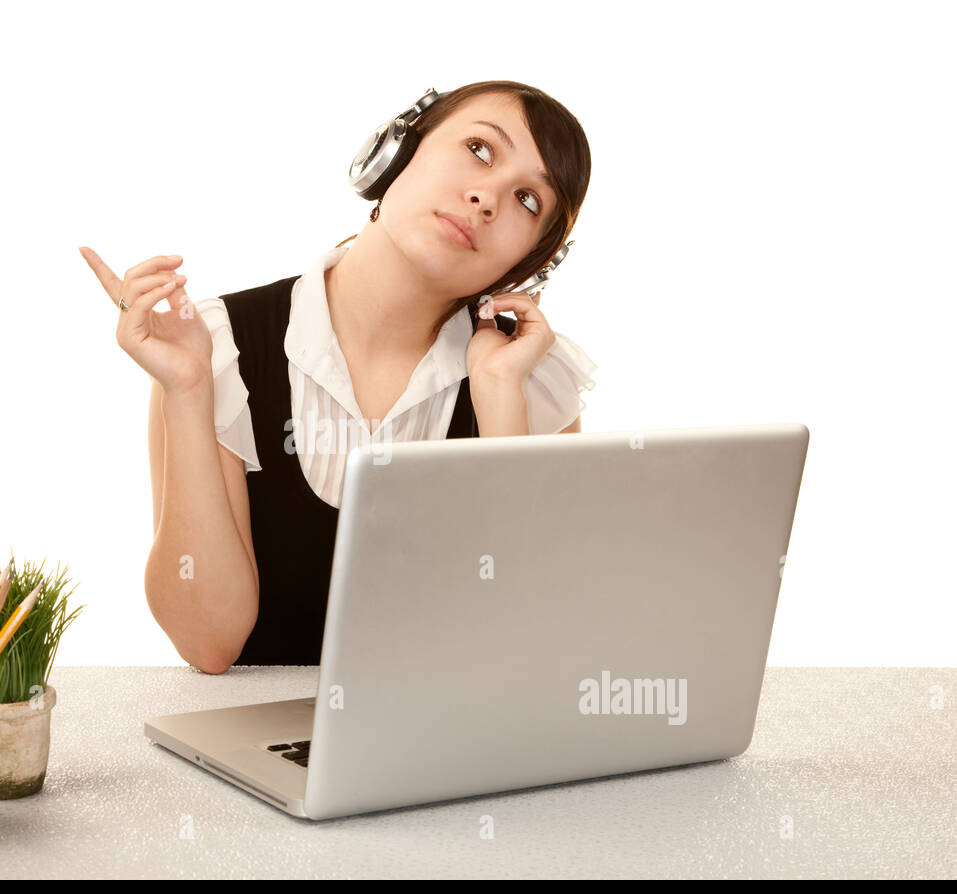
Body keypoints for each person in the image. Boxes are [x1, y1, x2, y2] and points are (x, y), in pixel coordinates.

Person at [80, 80, 596, 674]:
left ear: (529, 261)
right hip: (250, 749)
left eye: (529, 200)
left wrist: (500, 401)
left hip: (449, 755)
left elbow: (521, 651)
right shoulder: (217, 348)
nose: (487, 198)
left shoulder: (530, 380)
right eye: (480, 149)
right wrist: (189, 392)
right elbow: (209, 642)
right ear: (397, 155)